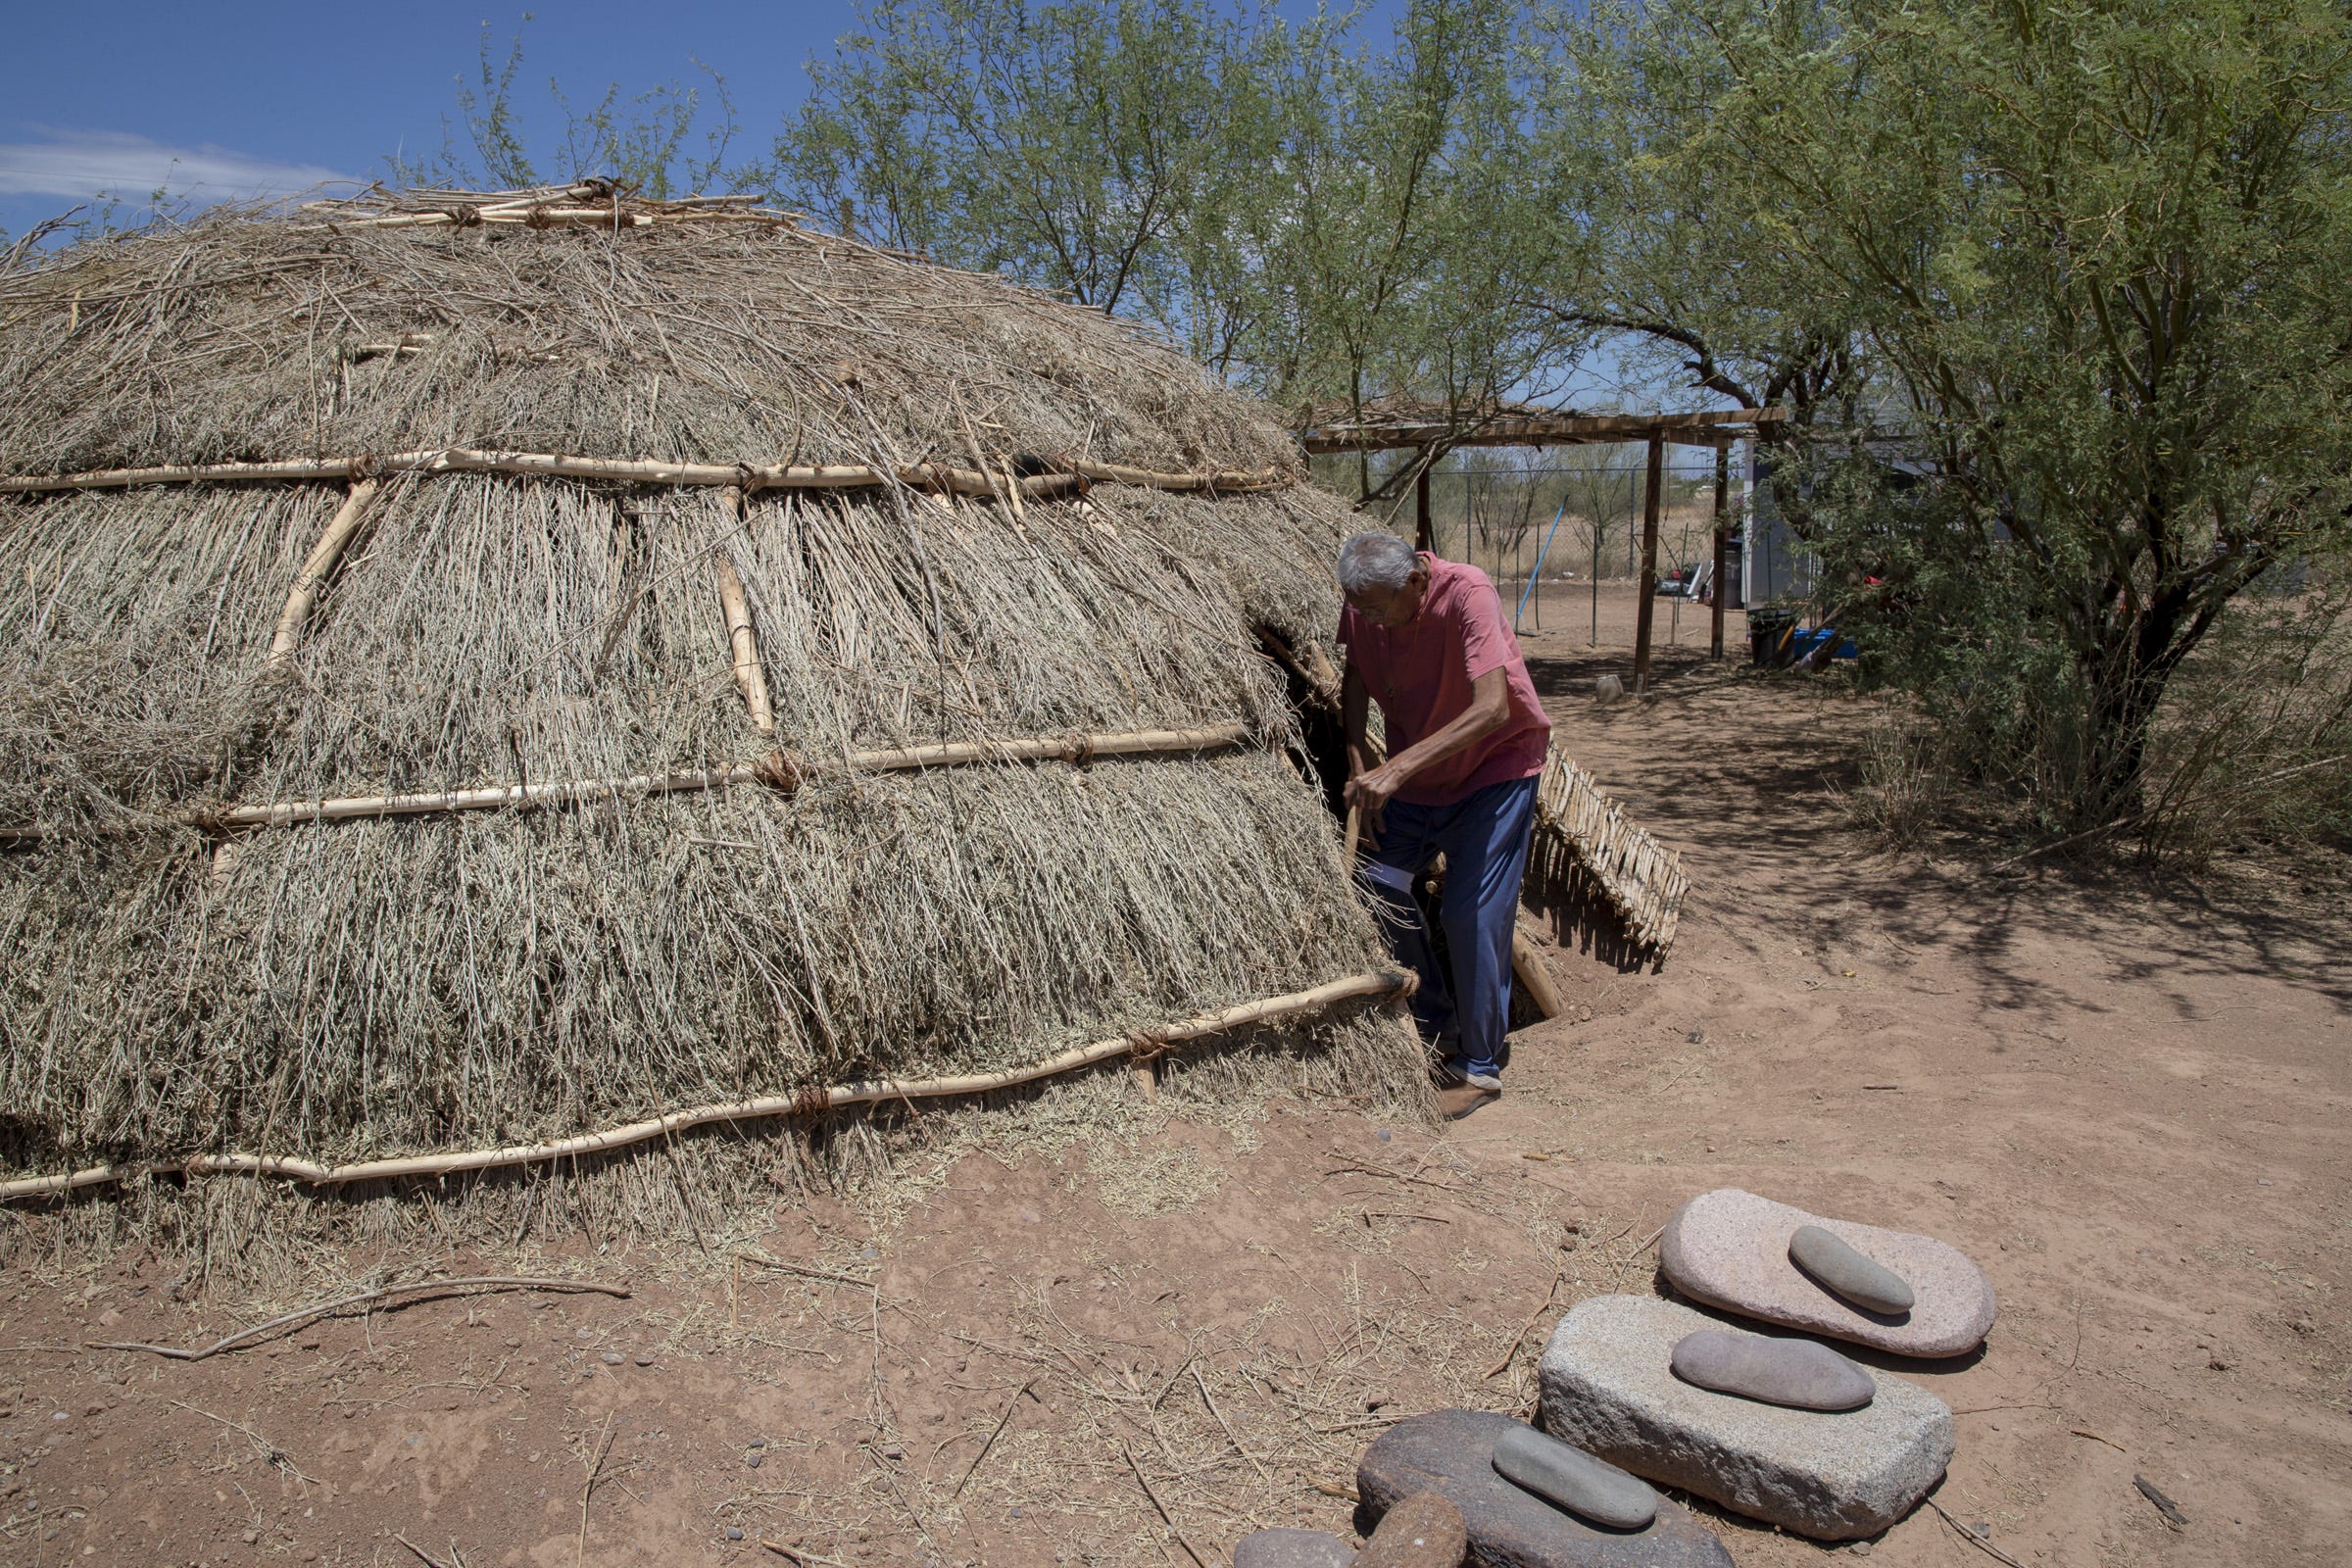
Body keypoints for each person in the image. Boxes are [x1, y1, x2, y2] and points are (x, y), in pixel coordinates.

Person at [1336, 531, 1551, 1120]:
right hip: (1419, 778)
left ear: (1415, 581)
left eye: (1376, 607)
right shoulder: (1364, 603)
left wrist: (1396, 767)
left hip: (1494, 770)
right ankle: (1436, 1026)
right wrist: (1359, 762)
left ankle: (1481, 1069)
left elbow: (1493, 707)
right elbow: (1355, 675)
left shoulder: (1467, 593)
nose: (1366, 619)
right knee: (1378, 888)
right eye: (1357, 608)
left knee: (1470, 910)